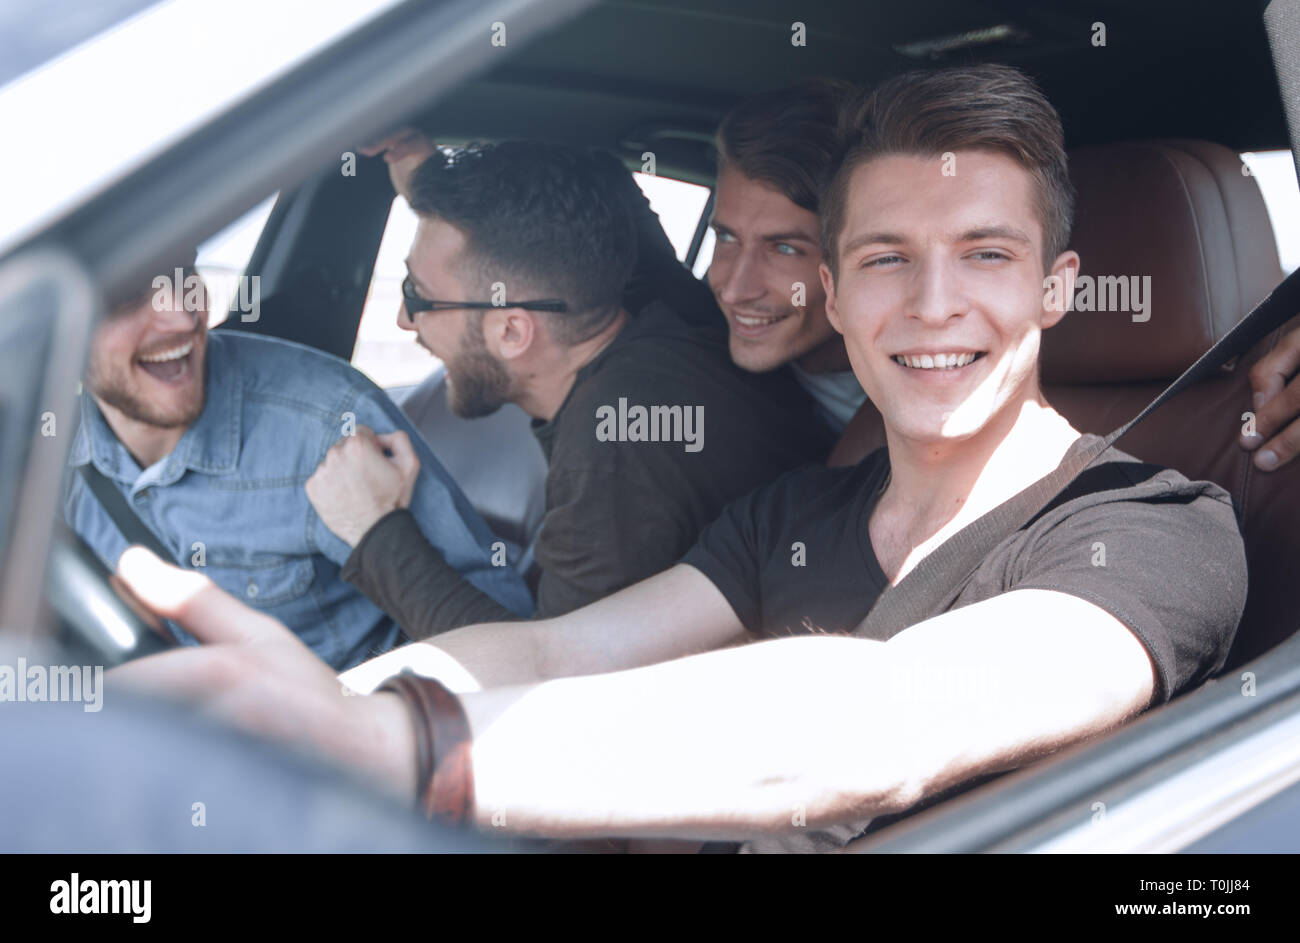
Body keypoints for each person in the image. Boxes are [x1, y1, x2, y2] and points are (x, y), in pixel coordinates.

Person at [112, 64, 1248, 850]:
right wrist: (298, 704)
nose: (933, 304)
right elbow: (559, 655)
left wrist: (407, 746)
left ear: (1055, 287)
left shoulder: (1150, 528)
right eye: (887, 259)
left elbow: (889, 718)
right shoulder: (791, 514)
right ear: (839, 298)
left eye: (985, 254)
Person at [307, 140, 832, 628]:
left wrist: (374, 532)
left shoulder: (616, 455)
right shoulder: (663, 305)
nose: (403, 318)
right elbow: (577, 214)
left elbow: (541, 682)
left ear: (512, 330)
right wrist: (419, 161)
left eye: (417, 295)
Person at [67, 265, 533, 671]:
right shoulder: (38, 458)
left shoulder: (329, 424)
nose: (185, 315)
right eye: (129, 295)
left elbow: (509, 644)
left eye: (185, 276)